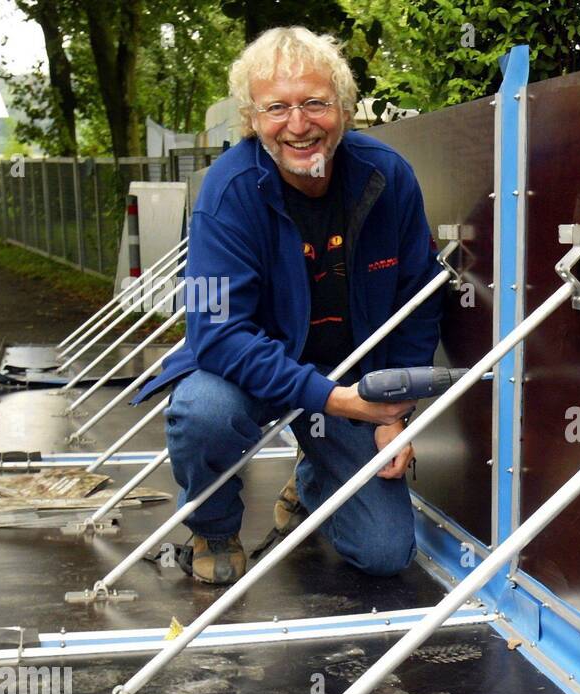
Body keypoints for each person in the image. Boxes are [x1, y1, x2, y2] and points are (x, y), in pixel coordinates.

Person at [136, 26, 444, 584]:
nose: (298, 126)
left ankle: (311, 475)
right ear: (252, 119)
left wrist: (396, 412)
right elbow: (215, 335)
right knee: (203, 410)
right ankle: (213, 527)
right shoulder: (225, 193)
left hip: (349, 375)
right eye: (276, 108)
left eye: (315, 104)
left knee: (385, 553)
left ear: (345, 108)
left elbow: (418, 300)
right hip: (250, 374)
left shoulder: (387, 177)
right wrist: (338, 402)